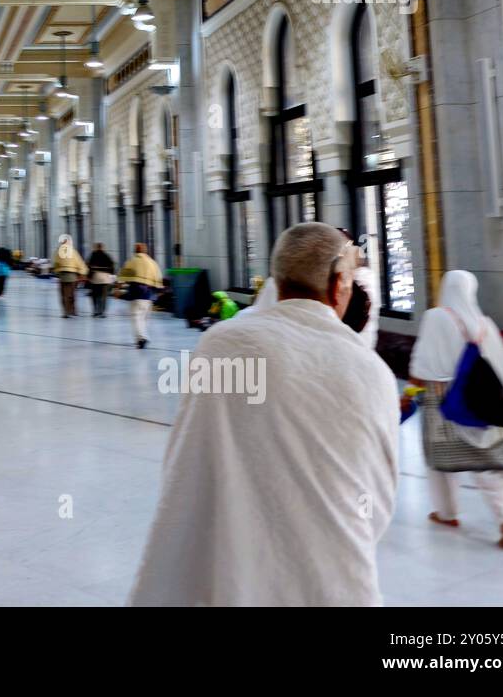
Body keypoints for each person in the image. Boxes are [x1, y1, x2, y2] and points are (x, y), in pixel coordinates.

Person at [129, 223, 398, 606]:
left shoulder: (220, 344)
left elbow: (186, 460)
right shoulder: (369, 371)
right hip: (330, 578)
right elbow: (378, 501)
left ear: (277, 278)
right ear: (339, 284)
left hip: (222, 572)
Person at [409, 269, 503, 549]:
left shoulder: (435, 316)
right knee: (489, 464)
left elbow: (421, 362)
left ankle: (447, 513)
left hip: (443, 400)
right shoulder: (484, 323)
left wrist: (412, 387)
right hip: (482, 402)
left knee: (441, 462)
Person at [119, 243, 162, 347]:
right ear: (145, 251)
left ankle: (141, 338)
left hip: (135, 294)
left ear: (135, 251)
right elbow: (158, 278)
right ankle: (143, 336)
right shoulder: (152, 263)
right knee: (144, 318)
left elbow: (122, 276)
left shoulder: (131, 261)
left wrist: (119, 288)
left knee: (136, 317)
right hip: (148, 295)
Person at [52, 238, 87, 319]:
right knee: (71, 295)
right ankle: (72, 311)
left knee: (64, 295)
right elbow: (79, 263)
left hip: (62, 276)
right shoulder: (73, 251)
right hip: (72, 276)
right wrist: (83, 273)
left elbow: (55, 264)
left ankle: (65, 311)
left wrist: (56, 272)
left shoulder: (58, 252)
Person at [86, 243, 115, 317]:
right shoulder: (107, 256)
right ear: (103, 248)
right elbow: (112, 266)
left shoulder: (93, 255)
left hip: (95, 278)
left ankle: (96, 310)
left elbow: (88, 266)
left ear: (96, 248)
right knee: (104, 296)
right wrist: (111, 275)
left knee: (95, 296)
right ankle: (102, 312)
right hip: (105, 279)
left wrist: (88, 277)